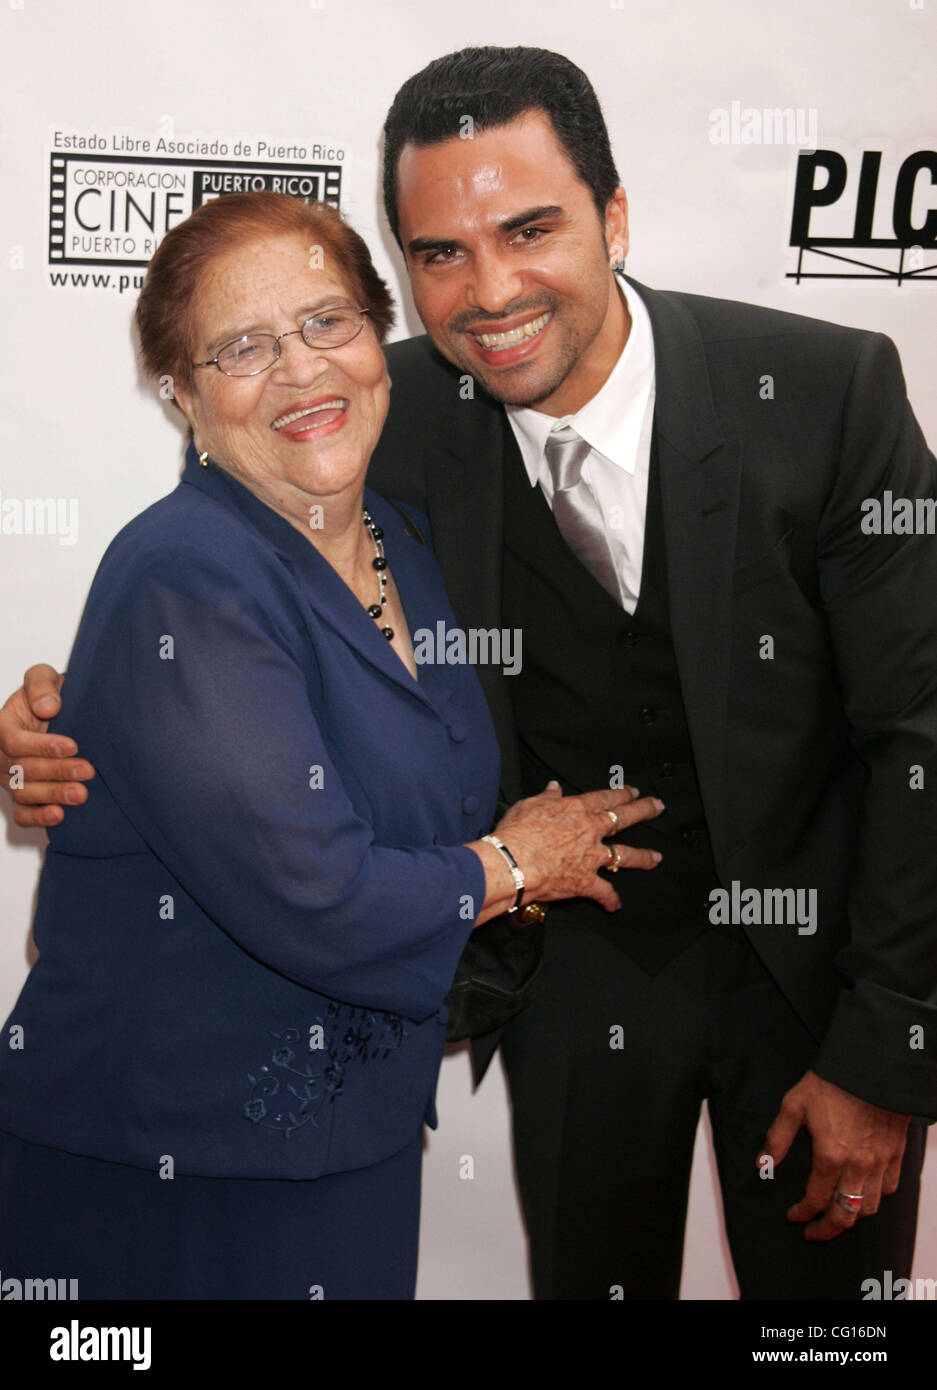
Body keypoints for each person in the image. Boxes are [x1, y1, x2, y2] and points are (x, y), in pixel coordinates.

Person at [3, 46, 935, 1300]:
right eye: (439, 252)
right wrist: (72, 727)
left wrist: (887, 1052)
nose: (489, 289)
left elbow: (919, 732)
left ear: (612, 215)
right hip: (570, 986)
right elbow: (223, 521)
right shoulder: (386, 411)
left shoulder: (823, 394)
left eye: (530, 228)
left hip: (821, 988)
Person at [0, 188, 662, 1301]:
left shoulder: (406, 535)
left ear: (381, 335)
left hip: (349, 1144)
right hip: (168, 1168)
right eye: (242, 347)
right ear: (184, 394)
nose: (302, 371)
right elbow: (315, 891)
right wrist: (514, 864)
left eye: (327, 322)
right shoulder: (188, 575)